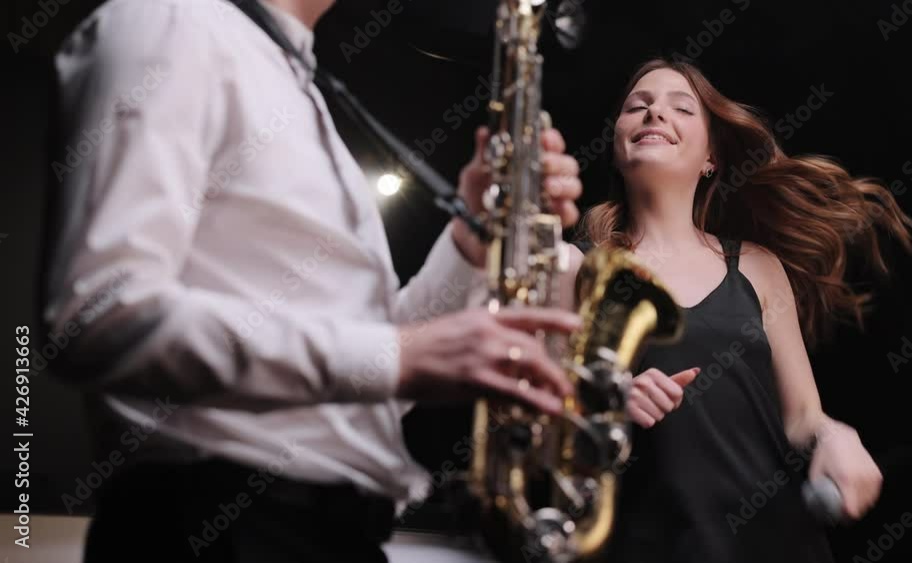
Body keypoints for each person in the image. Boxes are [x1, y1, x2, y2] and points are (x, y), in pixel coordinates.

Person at [40, 0, 584, 561]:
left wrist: (469, 244)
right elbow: (99, 315)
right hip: (221, 527)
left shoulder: (292, 79)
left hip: (321, 533)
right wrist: (393, 355)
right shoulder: (169, 22)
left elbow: (362, 384)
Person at [561, 57, 912, 562]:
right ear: (617, 146)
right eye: (636, 107)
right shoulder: (574, 268)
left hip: (778, 544)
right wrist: (607, 402)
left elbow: (803, 415)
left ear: (711, 156)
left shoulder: (756, 265)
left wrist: (835, 435)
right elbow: (540, 416)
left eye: (680, 108)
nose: (654, 115)